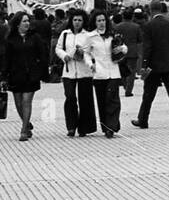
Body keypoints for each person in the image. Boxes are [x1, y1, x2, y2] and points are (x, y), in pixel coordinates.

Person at [131, 0, 169, 131]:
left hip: (153, 66)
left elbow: (148, 48)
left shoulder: (149, 25)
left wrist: (144, 64)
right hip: (168, 64)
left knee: (148, 95)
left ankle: (143, 120)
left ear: (150, 10)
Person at [3, 11, 46, 141]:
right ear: (17, 24)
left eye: (28, 21)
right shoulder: (10, 39)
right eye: (24, 21)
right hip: (15, 75)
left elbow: (42, 54)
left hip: (31, 75)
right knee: (18, 103)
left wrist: (41, 71)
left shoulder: (35, 37)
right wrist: (3, 76)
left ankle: (23, 130)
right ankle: (27, 123)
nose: (27, 23)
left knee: (26, 102)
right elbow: (6, 59)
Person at [55, 7, 97, 137]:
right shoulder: (65, 34)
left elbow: (91, 51)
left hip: (84, 71)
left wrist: (83, 54)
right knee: (70, 98)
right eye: (75, 20)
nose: (77, 22)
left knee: (85, 99)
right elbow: (58, 48)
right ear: (71, 20)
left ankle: (84, 127)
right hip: (69, 71)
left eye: (80, 20)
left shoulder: (87, 35)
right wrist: (64, 56)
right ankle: (71, 126)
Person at [83, 10, 126, 139]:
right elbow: (86, 53)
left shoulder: (112, 35)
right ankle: (106, 126)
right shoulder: (90, 37)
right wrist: (90, 64)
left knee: (113, 99)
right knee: (102, 100)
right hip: (99, 72)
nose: (102, 23)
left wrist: (121, 49)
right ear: (95, 22)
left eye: (103, 20)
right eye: (99, 21)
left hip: (113, 71)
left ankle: (112, 127)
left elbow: (124, 47)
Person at [116, 8, 143, 97]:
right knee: (132, 72)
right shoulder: (136, 27)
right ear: (132, 17)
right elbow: (140, 40)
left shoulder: (118, 27)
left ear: (123, 17)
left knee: (122, 71)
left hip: (121, 51)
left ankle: (125, 85)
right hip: (132, 51)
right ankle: (129, 90)